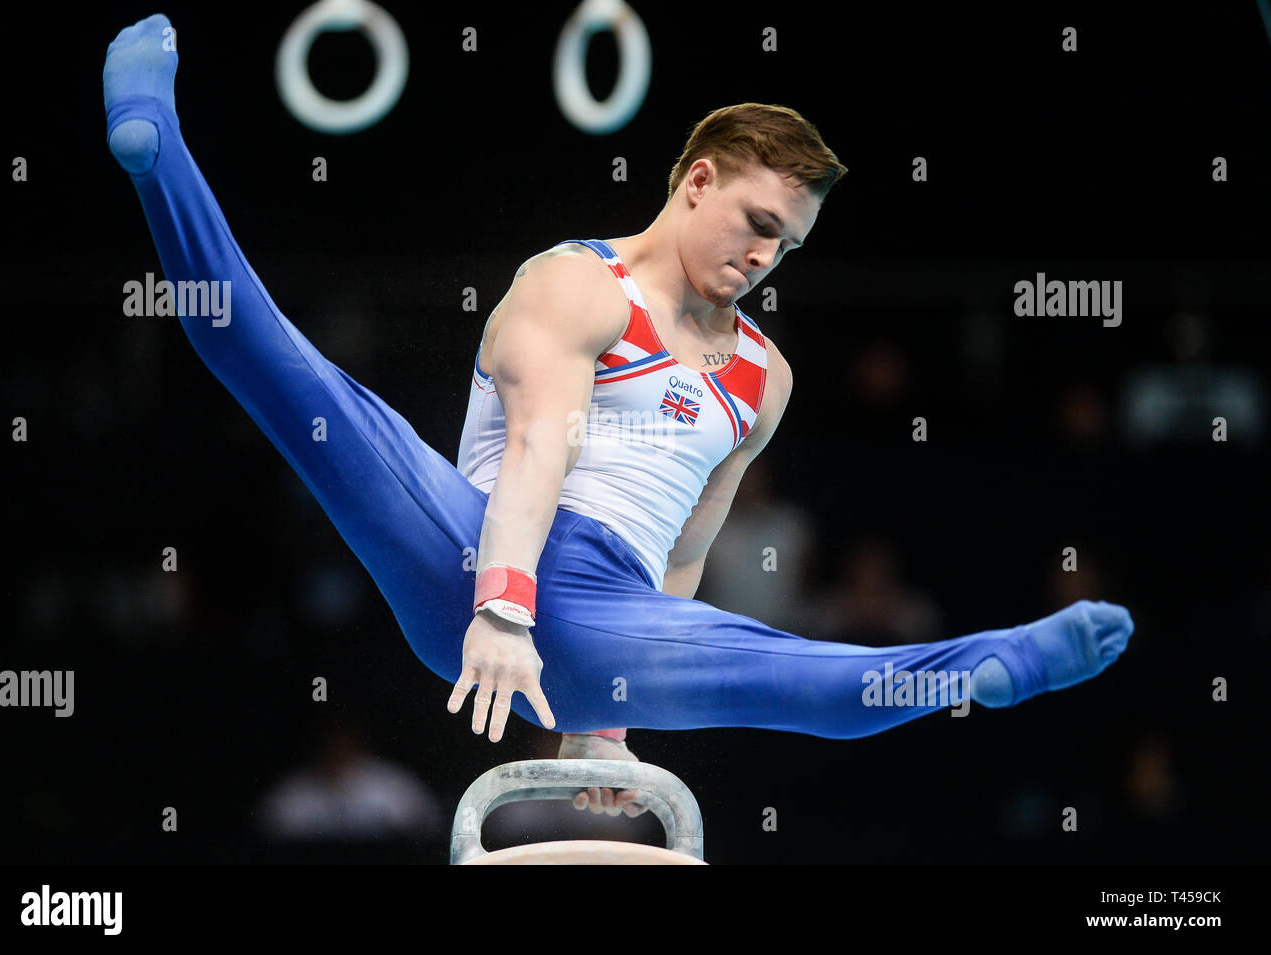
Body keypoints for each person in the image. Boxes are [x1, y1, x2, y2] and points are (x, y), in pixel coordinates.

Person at [103, 14, 1134, 820]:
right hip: (477, 555)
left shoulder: (761, 379)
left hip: (601, 622)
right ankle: (160, 149)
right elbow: (541, 448)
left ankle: (990, 667)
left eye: (789, 246)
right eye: (758, 223)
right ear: (695, 181)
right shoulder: (575, 283)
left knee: (813, 680)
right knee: (296, 377)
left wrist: (604, 722)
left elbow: (680, 561)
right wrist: (505, 607)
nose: (764, 258)